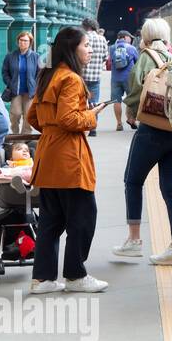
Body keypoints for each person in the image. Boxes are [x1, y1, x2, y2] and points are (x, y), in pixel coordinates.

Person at [27, 26, 108, 294]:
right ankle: (75, 275)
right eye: (86, 45)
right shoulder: (71, 79)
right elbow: (69, 119)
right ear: (72, 49)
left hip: (47, 156)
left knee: (51, 220)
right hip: (68, 158)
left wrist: (51, 132)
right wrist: (92, 114)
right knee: (83, 216)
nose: (90, 49)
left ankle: (43, 279)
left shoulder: (47, 76)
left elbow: (33, 118)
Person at [111, 18, 172, 266]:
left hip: (153, 131)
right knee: (171, 188)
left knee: (133, 180)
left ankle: (134, 240)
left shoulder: (145, 57)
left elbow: (136, 91)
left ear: (145, 37)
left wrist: (130, 112)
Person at [2, 31, 41, 136]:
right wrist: (10, 83)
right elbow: (5, 72)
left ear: (30, 42)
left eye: (26, 41)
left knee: (28, 115)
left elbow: (40, 74)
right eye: (21, 40)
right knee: (15, 113)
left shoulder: (36, 56)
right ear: (18, 41)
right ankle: (15, 134)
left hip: (30, 92)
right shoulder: (10, 56)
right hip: (16, 90)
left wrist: (35, 86)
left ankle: (25, 136)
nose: (23, 43)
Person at [80, 18, 109, 137]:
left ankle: (82, 125)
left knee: (81, 101)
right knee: (94, 102)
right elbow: (105, 57)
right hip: (95, 76)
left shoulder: (82, 38)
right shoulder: (101, 39)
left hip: (81, 76)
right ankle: (93, 128)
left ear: (85, 26)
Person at [109, 30, 139, 131]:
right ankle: (131, 119)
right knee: (131, 99)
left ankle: (119, 123)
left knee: (116, 101)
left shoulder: (112, 48)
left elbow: (110, 61)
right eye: (130, 37)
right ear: (125, 37)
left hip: (115, 78)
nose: (131, 39)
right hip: (128, 78)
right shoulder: (131, 48)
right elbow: (137, 62)